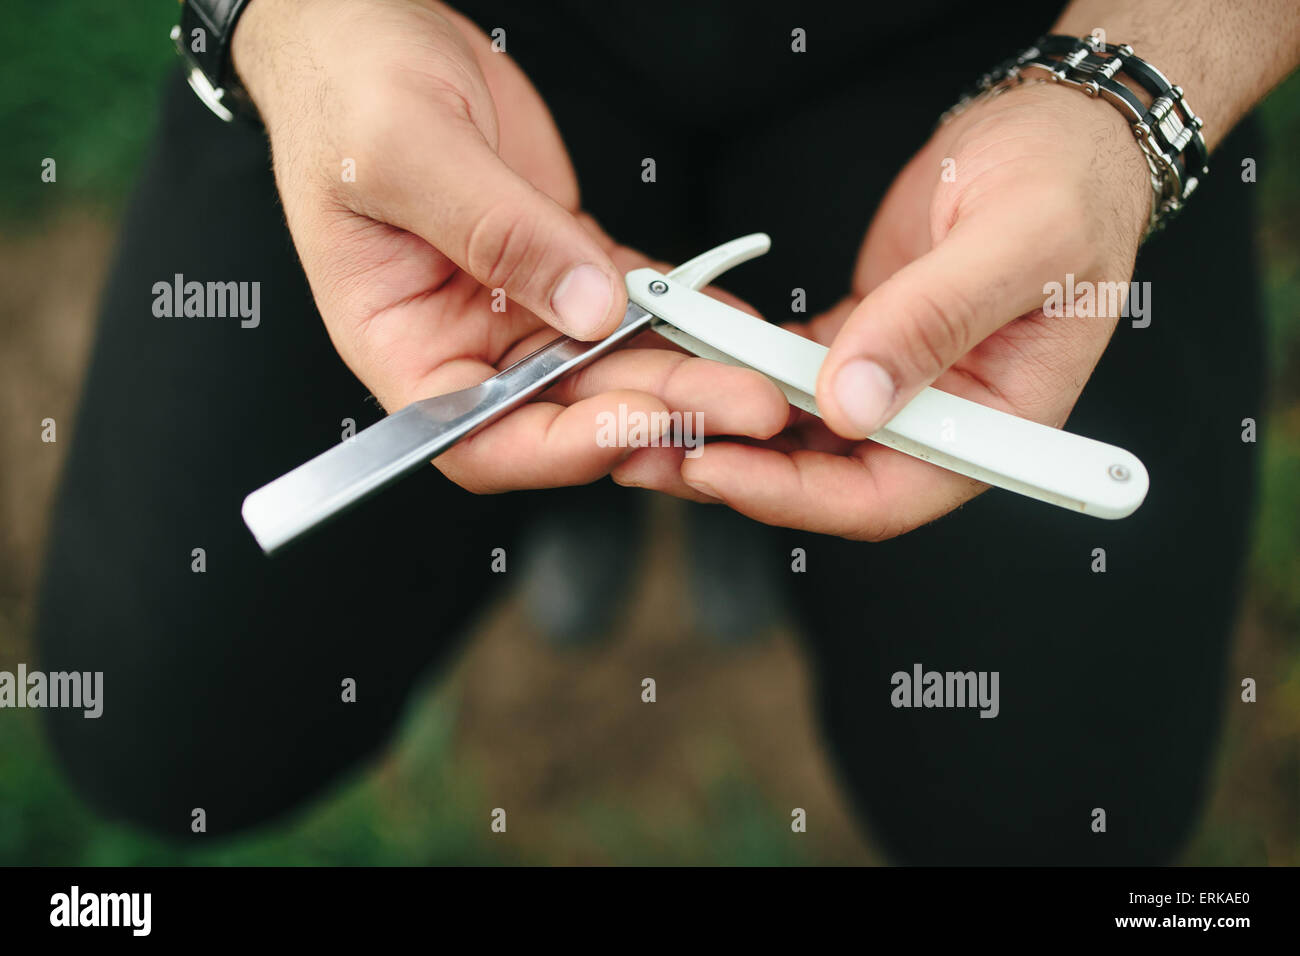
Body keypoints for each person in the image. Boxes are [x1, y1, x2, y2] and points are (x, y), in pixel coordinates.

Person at [35, 0, 1298, 863]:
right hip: (434, 53)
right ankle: (598, 465)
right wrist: (282, 21)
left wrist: (1129, 97)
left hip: (1000, 57)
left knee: (1058, 818)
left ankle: (703, 469)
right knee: (159, 724)